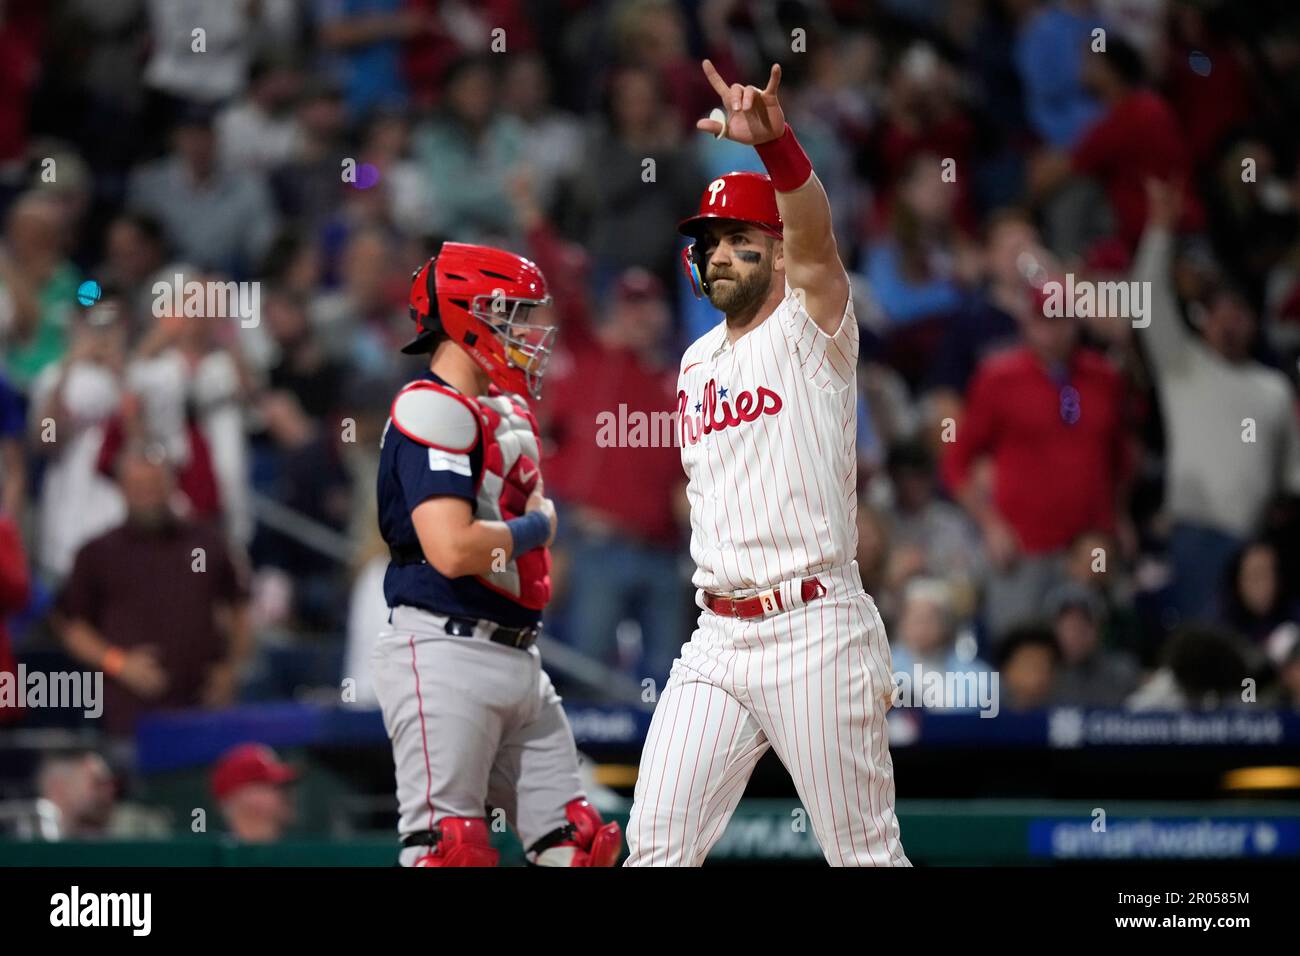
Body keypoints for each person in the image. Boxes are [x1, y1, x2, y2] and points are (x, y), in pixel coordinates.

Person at [626, 61, 909, 867]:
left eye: (739, 242)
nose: (717, 255)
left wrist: (777, 145)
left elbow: (816, 239)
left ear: (778, 254)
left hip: (813, 622)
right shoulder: (693, 362)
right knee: (653, 846)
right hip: (717, 634)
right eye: (709, 243)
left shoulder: (813, 325)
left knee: (864, 856)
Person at [370, 241, 620, 867]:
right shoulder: (429, 407)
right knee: (450, 852)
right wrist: (536, 529)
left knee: (578, 845)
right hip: (444, 650)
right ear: (465, 316)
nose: (530, 333)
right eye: (513, 314)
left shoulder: (503, 409)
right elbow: (452, 549)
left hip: (519, 658)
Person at [1134, 180, 1300, 622]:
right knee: (1197, 647)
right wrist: (1159, 231)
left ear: (1253, 323)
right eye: (1219, 312)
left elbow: (1292, 476)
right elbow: (1147, 302)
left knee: (1242, 658)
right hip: (1193, 536)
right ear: (1204, 321)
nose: (1229, 322)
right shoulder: (1184, 367)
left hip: (1251, 545)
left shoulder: (1274, 389)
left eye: (1239, 313)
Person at [55, 444, 252, 737]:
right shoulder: (98, 552)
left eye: (154, 484)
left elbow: (240, 608)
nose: (147, 494)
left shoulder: (206, 542)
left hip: (204, 710)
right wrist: (118, 663)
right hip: (132, 716)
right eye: (137, 486)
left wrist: (230, 670)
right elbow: (70, 625)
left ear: (172, 485)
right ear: (121, 489)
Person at [1046, 580, 1140, 706]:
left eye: (1084, 625)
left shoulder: (1122, 674)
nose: (1075, 635)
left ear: (1100, 630)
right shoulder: (1037, 675)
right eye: (1068, 626)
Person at [210, 743, 298, 844]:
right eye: (273, 786)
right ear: (241, 795)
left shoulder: (293, 855)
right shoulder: (211, 857)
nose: (287, 793)